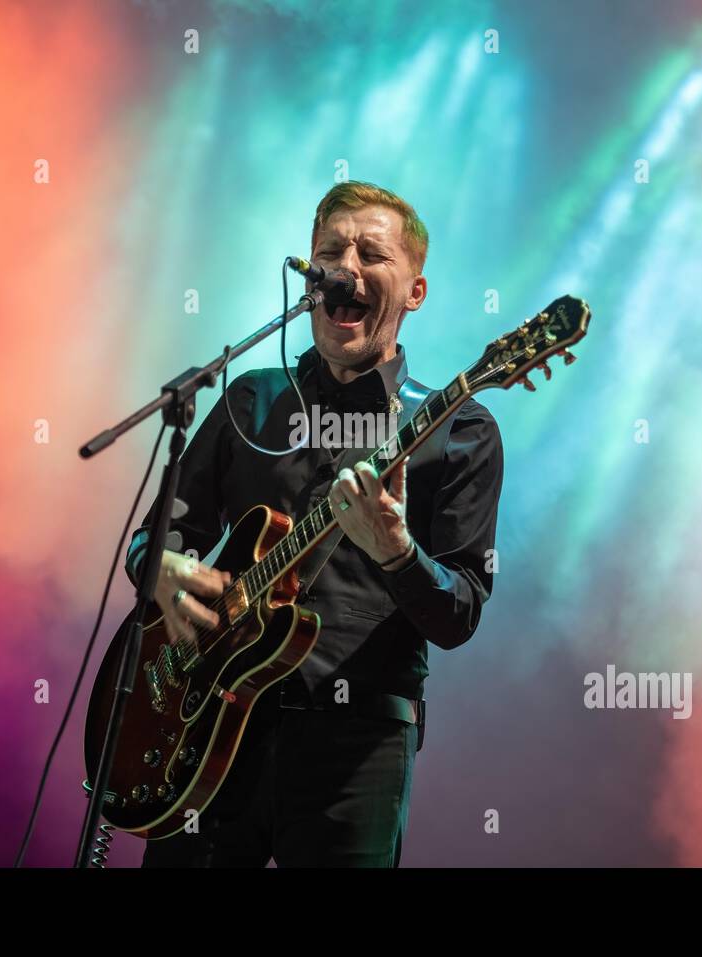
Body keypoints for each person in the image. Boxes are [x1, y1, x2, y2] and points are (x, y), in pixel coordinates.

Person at [125, 181, 505, 867]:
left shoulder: (459, 428)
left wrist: (397, 552)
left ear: (415, 291)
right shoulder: (250, 399)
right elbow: (155, 539)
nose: (346, 268)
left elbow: (460, 613)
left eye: (370, 253)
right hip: (212, 728)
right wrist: (162, 571)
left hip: (355, 750)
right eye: (330, 251)